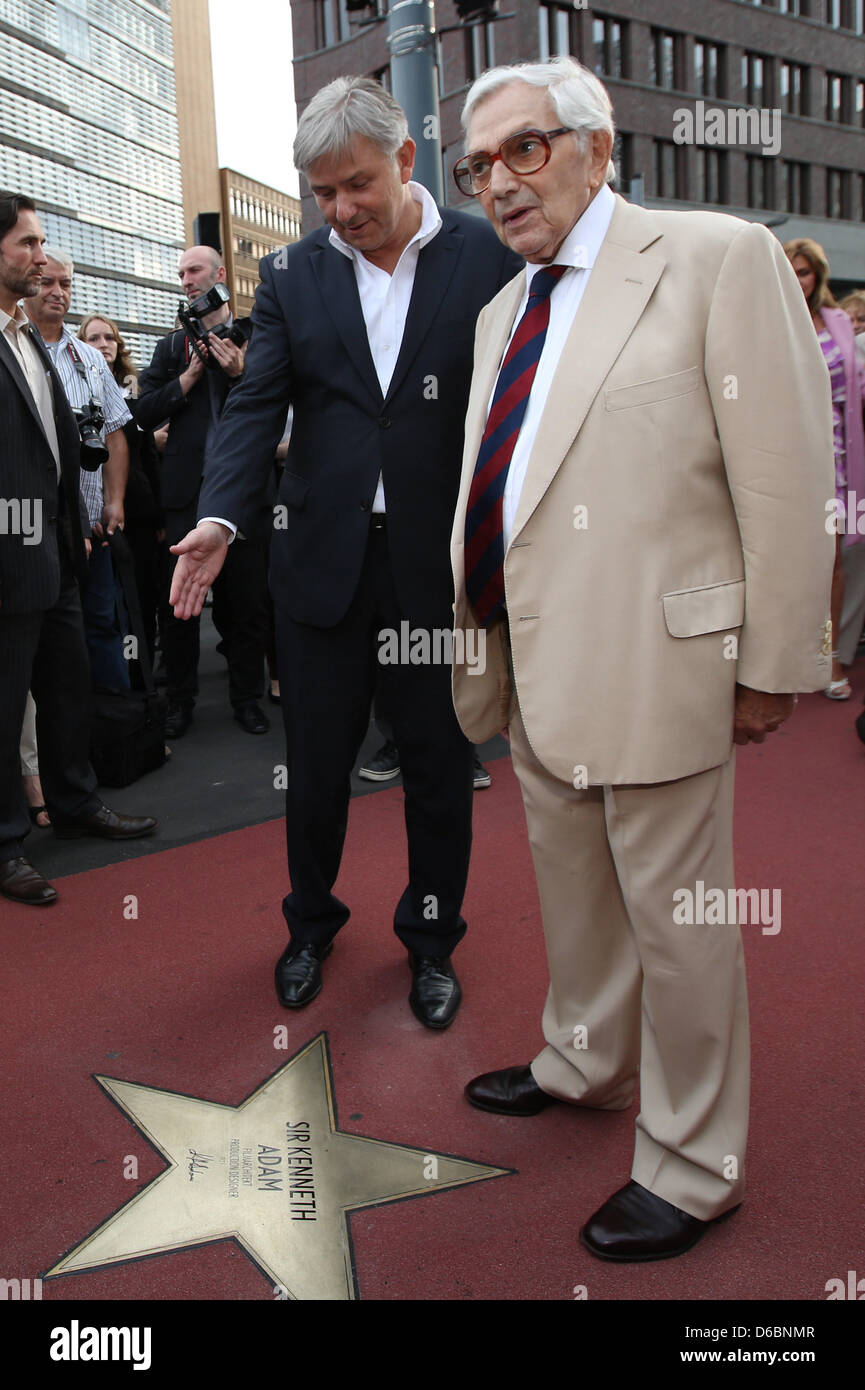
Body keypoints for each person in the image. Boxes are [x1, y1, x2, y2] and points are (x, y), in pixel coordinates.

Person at [448, 59, 834, 1260]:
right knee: (573, 897)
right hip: (532, 659)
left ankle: (694, 1164)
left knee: (679, 924)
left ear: (598, 148)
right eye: (477, 165)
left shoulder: (715, 256)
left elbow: (785, 473)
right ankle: (586, 1061)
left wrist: (773, 662)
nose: (499, 183)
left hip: (664, 662)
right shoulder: (501, 312)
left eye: (524, 148)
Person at [169, 77, 522, 1027]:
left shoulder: (488, 255)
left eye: (357, 185)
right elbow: (255, 406)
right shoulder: (293, 274)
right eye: (322, 193)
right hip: (320, 565)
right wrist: (220, 518)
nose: (340, 210)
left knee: (438, 768)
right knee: (316, 767)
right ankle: (310, 927)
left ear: (405, 160)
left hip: (436, 571)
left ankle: (431, 943)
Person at [0, 191, 156, 907]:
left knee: (68, 689)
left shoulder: (26, 335)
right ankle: (7, 843)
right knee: (5, 709)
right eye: (28, 243)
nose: (41, 257)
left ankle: (75, 802)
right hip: (7, 558)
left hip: (58, 552)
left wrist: (76, 527)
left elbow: (62, 443)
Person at [136, 246, 270, 738]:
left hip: (245, 494)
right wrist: (189, 377)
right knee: (179, 607)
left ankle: (247, 699)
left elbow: (276, 402)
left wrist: (238, 373)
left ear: (220, 275)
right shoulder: (172, 347)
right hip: (185, 496)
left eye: (194, 270)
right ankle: (180, 702)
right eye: (181, 273)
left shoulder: (257, 337)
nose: (186, 280)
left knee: (247, 603)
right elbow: (142, 413)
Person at [23, 248, 132, 691]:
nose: (58, 292)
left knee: (102, 624)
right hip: (32, 529)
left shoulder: (90, 358)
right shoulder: (12, 348)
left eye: (66, 283)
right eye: (48, 282)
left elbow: (115, 433)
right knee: (39, 635)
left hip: (91, 529)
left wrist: (115, 501)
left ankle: (113, 720)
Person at [785, 240, 865, 696]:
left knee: (833, 563)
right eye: (790, 269)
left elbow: (856, 387)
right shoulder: (767, 317)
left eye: (805, 271)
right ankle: (780, 660)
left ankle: (830, 659)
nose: (798, 279)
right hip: (783, 455)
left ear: (818, 277)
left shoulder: (836, 322)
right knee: (784, 561)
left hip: (835, 453)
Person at [78, 313, 164, 678]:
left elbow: (148, 457)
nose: (103, 344)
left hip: (138, 513)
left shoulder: (135, 391)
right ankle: (114, 686)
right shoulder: (75, 387)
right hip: (95, 517)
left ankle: (141, 682)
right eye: (94, 338)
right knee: (103, 608)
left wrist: (160, 517)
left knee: (142, 600)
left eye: (109, 337)